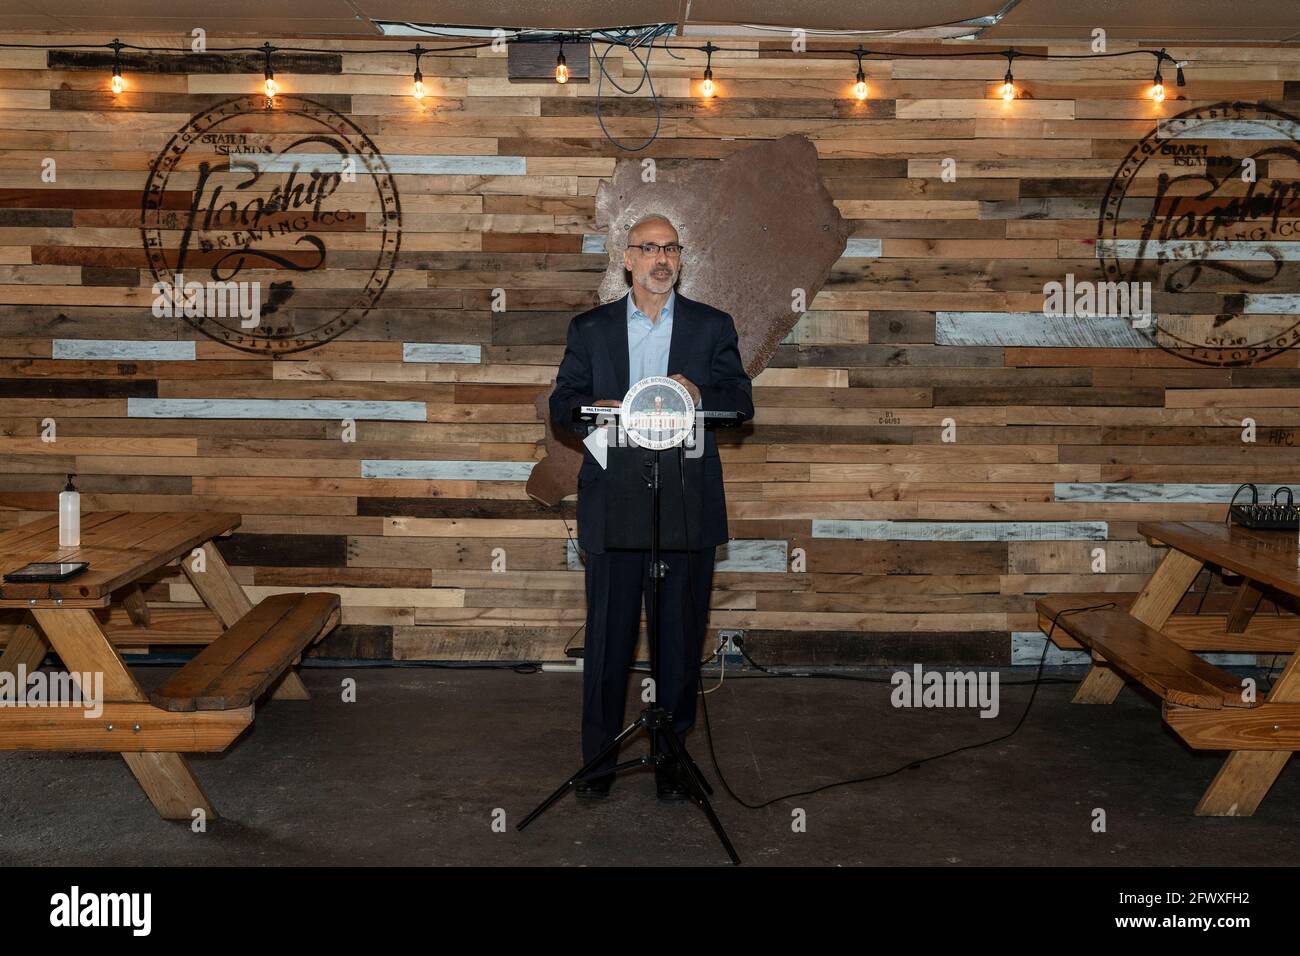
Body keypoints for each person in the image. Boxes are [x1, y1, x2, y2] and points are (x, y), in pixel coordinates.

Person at [549, 213, 755, 800]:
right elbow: (561, 401)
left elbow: (741, 402)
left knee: (680, 642)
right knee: (609, 644)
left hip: (685, 504)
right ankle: (597, 768)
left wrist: (699, 393)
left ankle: (672, 765)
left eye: (671, 248)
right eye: (648, 247)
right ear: (628, 259)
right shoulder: (590, 329)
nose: (661, 258)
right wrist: (595, 407)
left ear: (680, 259)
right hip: (614, 502)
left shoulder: (712, 327)